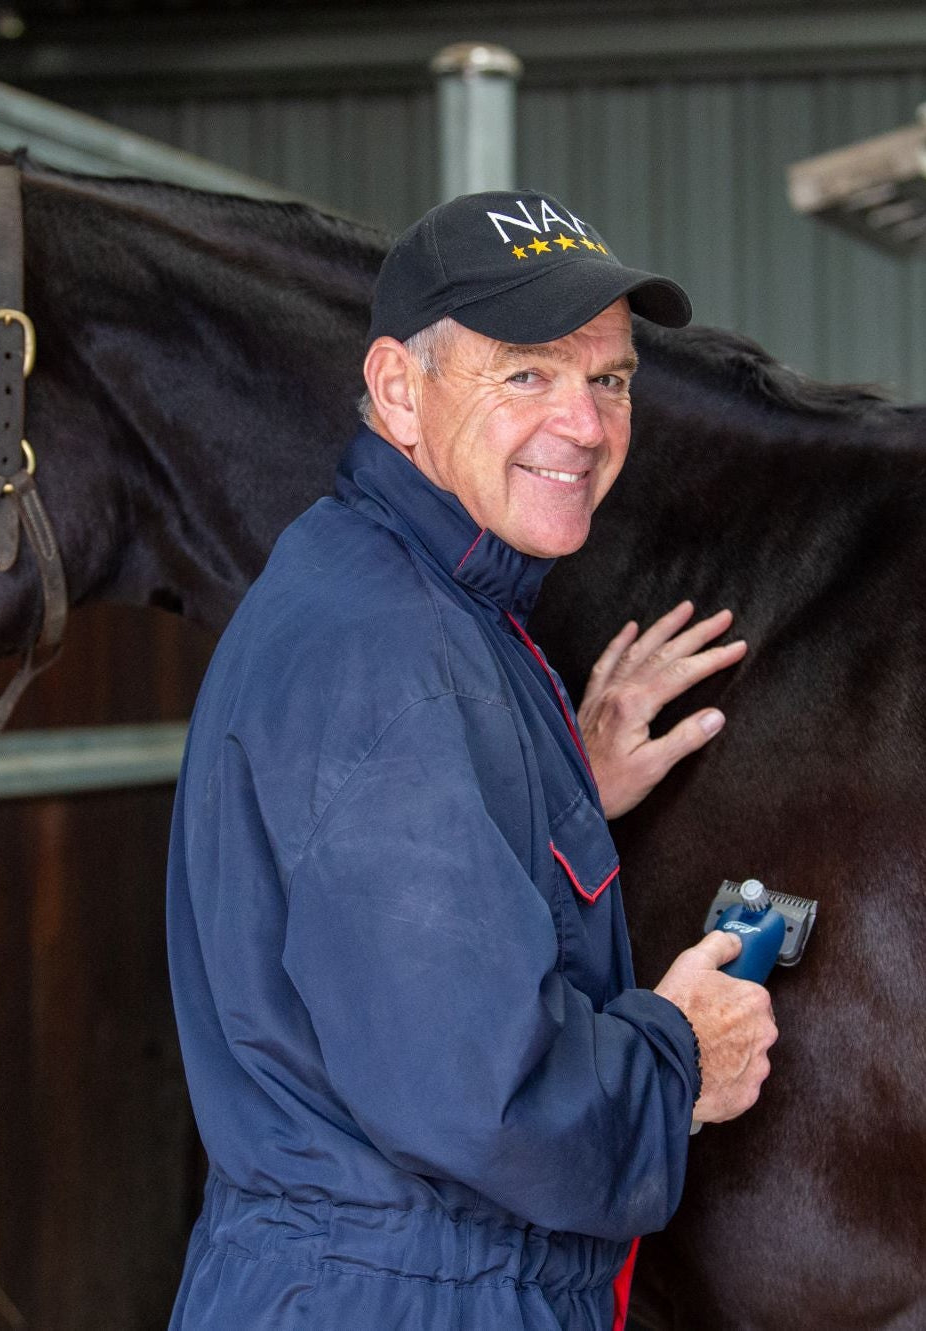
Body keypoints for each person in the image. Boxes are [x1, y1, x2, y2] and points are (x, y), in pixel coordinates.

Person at [165, 190, 777, 1331]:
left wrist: (555, 786)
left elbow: (366, 893)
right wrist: (677, 1055)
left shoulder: (384, 582)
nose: (586, 426)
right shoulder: (393, 658)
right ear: (399, 389)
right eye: (527, 373)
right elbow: (486, 1096)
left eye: (609, 379)